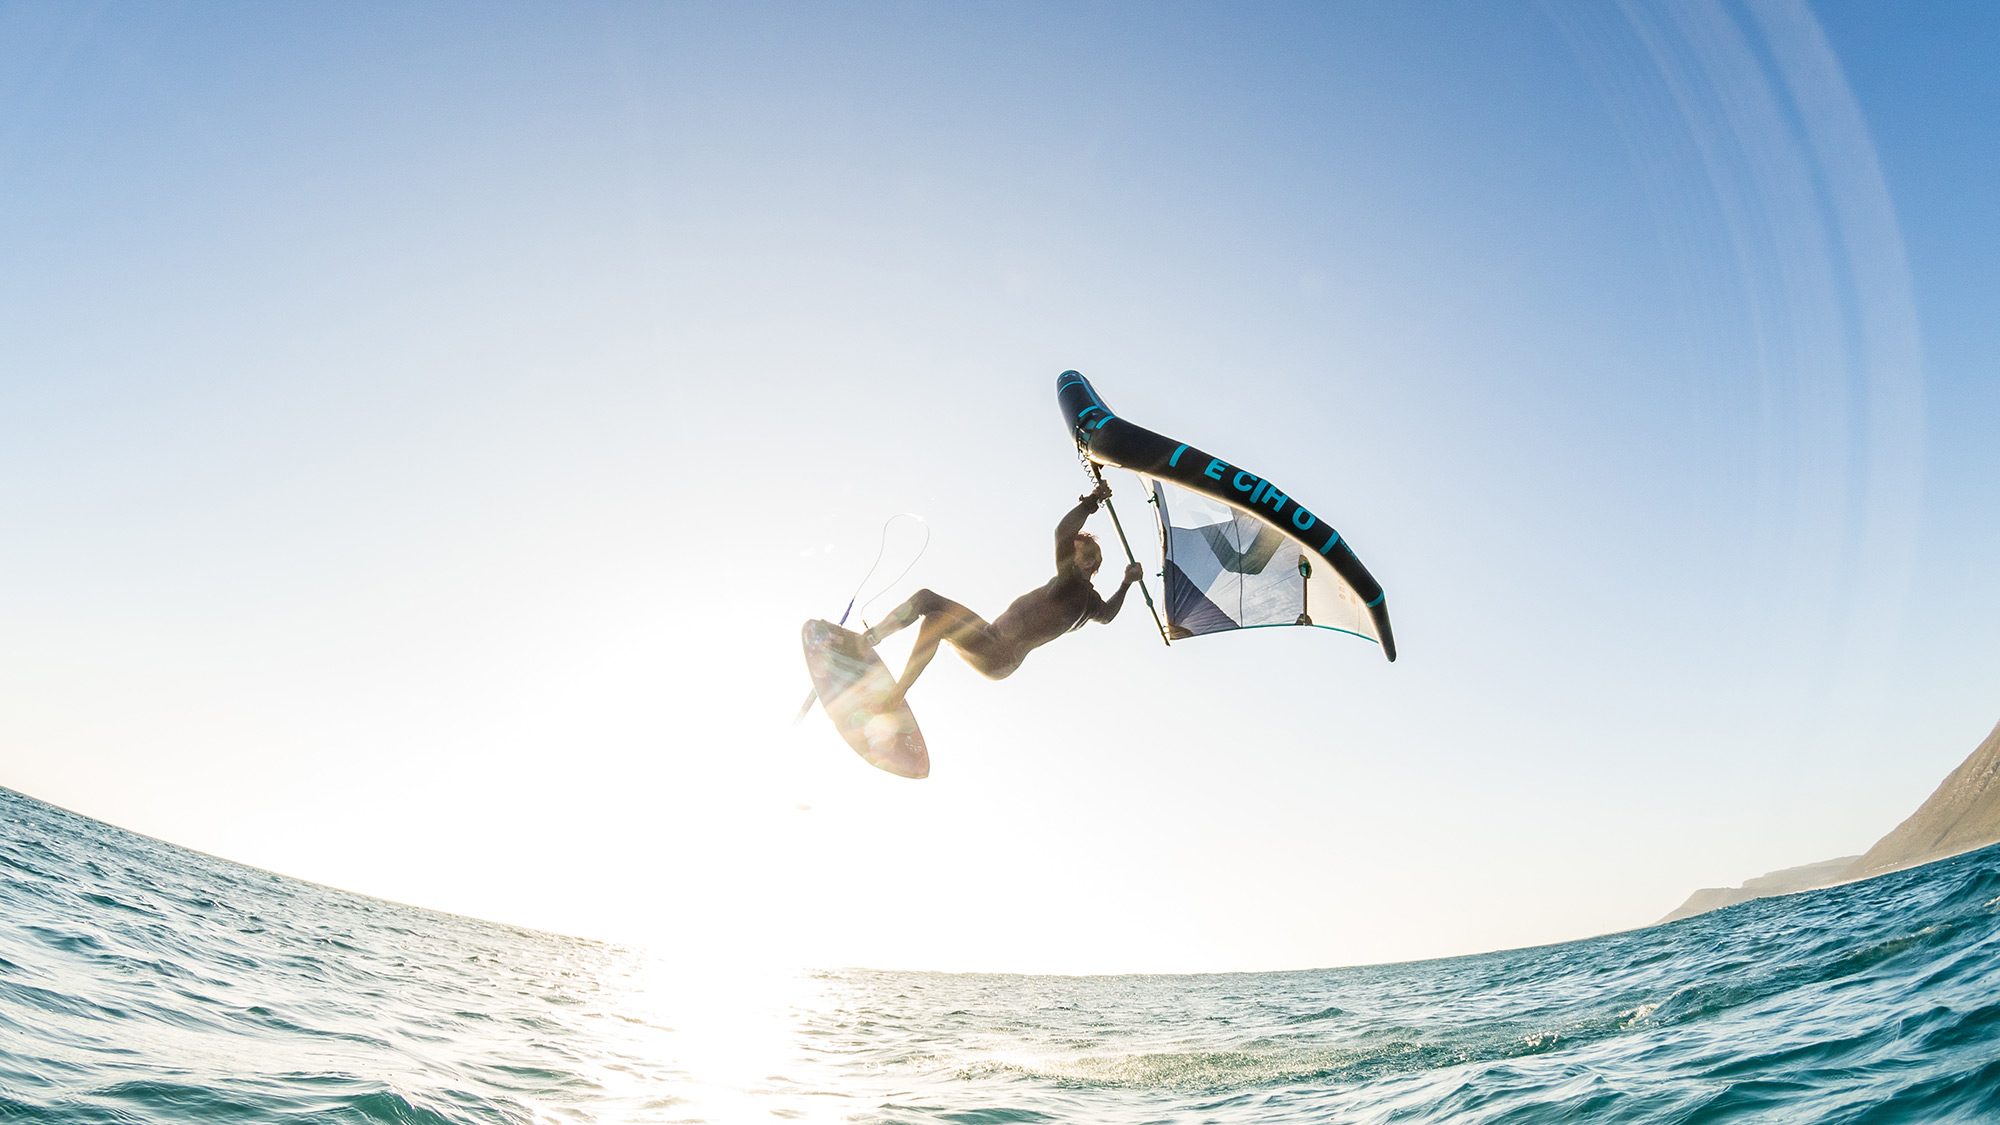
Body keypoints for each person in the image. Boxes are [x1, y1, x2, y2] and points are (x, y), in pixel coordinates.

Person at [860, 481, 1143, 704]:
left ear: (1089, 562)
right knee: (926, 598)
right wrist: (1126, 583)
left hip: (998, 654)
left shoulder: (1073, 584)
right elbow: (1107, 615)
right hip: (989, 636)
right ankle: (871, 638)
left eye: (1076, 552)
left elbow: (1062, 531)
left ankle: (897, 694)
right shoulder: (1090, 601)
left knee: (935, 620)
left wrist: (1093, 501)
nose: (1068, 554)